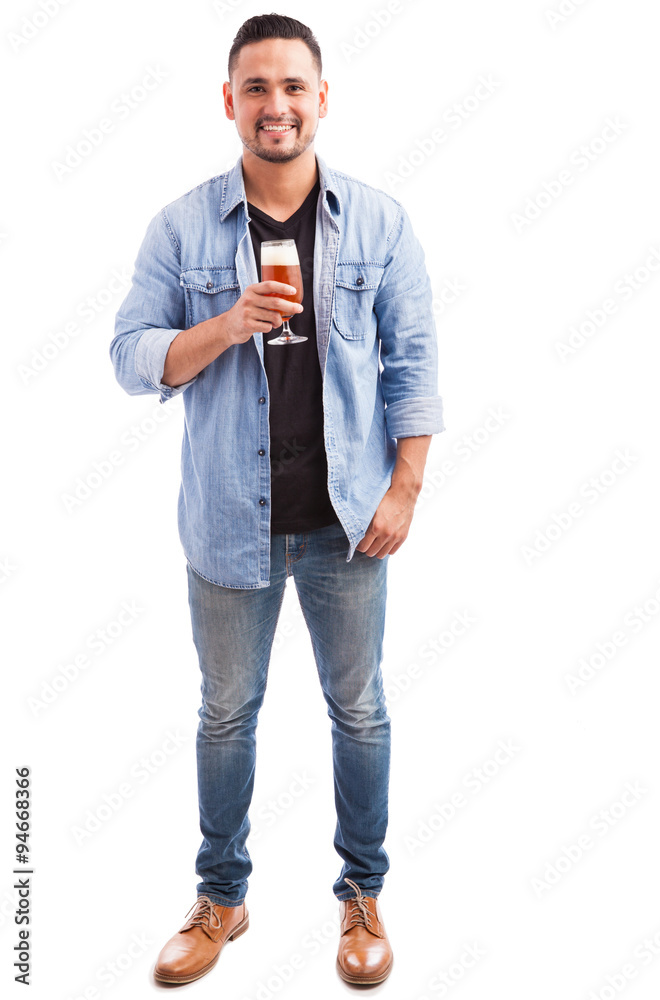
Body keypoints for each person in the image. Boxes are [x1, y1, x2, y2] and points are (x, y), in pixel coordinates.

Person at [110, 12, 444, 988]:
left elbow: (415, 363)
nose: (275, 104)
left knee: (360, 710)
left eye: (292, 86)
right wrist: (225, 324)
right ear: (229, 102)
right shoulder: (181, 227)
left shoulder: (378, 221)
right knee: (225, 713)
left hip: (348, 524)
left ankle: (361, 895)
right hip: (227, 527)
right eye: (255, 87)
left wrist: (405, 488)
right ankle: (223, 897)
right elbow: (131, 359)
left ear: (322, 98)